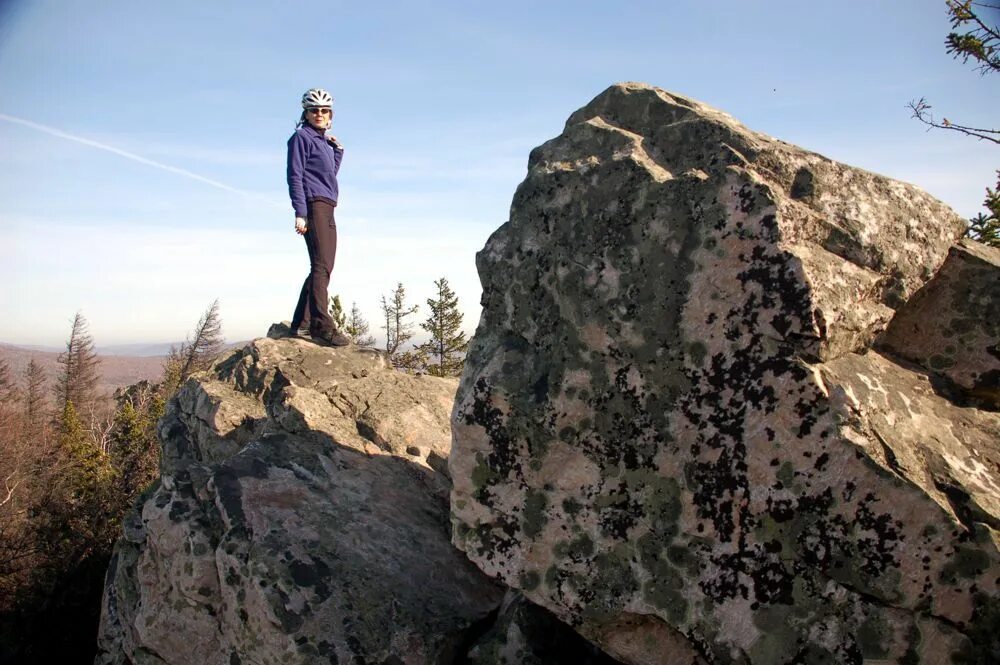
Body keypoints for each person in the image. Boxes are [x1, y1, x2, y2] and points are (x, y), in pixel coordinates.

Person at [286, 87, 350, 346]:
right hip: (314, 206)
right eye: (314, 110)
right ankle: (321, 326)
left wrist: (337, 152)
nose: (319, 114)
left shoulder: (323, 142)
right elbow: (295, 176)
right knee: (321, 266)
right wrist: (300, 212)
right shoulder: (301, 138)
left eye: (324, 110)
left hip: (327, 205)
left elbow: (328, 175)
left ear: (330, 114)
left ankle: (300, 324)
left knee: (323, 267)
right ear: (306, 113)